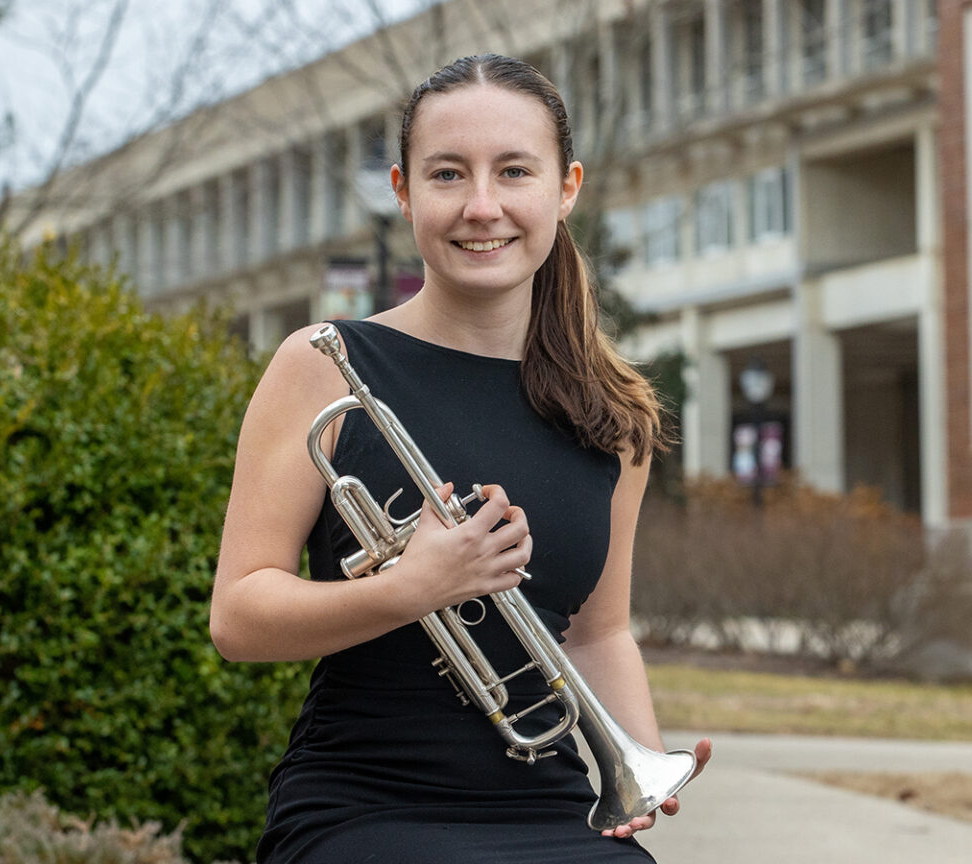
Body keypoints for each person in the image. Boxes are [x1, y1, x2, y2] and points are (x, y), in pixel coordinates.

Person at [209, 53, 712, 863]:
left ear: (566, 187)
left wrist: (638, 767)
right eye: (448, 175)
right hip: (361, 806)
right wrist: (410, 588)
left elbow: (597, 634)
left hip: (547, 806)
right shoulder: (323, 362)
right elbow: (238, 617)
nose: (483, 207)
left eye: (515, 171)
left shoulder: (614, 419)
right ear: (406, 193)